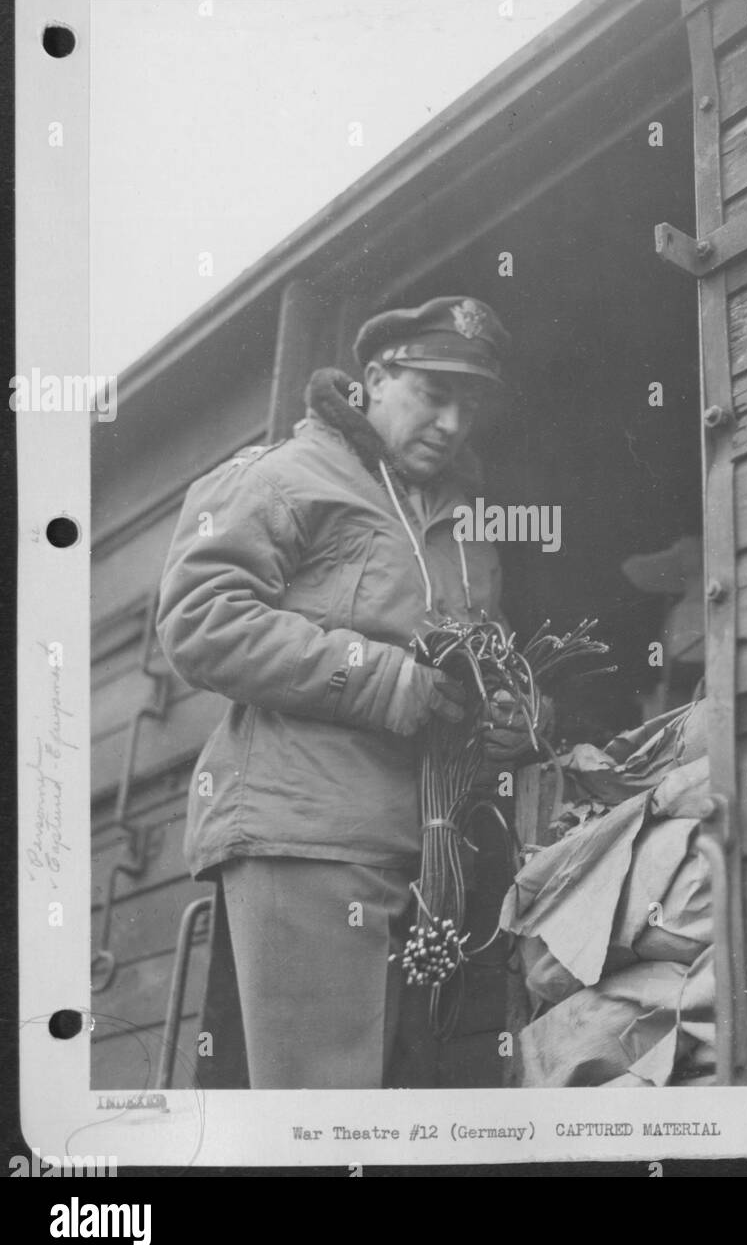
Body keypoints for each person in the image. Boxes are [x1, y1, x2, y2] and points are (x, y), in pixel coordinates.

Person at [156, 295, 541, 1088]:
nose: (451, 423)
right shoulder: (286, 476)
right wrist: (383, 679)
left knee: (383, 1110)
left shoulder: (463, 524)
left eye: (469, 406)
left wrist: (512, 715)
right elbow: (200, 620)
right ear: (372, 379)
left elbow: (486, 656)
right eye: (432, 396)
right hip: (308, 835)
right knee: (325, 1112)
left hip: (423, 857)